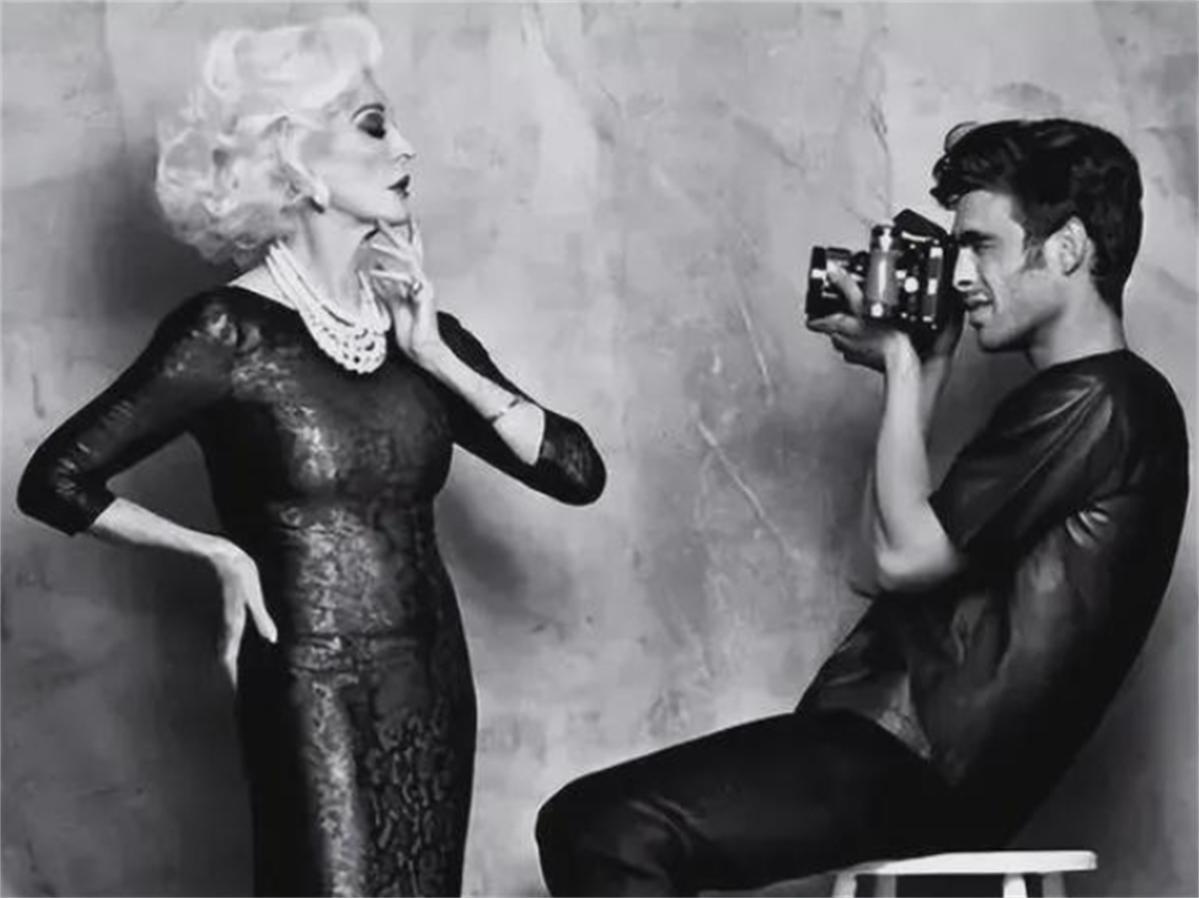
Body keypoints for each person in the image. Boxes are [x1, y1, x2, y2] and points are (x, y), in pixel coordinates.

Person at [17, 15, 605, 898]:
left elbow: (575, 474)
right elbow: (55, 481)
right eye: (373, 125)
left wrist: (438, 358)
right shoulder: (225, 333)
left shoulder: (417, 336)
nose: (405, 146)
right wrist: (215, 552)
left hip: (433, 680)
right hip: (311, 681)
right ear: (296, 158)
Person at [535, 118, 1188, 896]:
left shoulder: (1100, 398)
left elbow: (904, 559)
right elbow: (871, 565)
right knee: (593, 824)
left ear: (1068, 247)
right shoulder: (1081, 402)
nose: (961, 275)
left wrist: (902, 365)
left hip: (919, 761)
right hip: (894, 750)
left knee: (604, 828)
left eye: (979, 245)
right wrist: (924, 371)